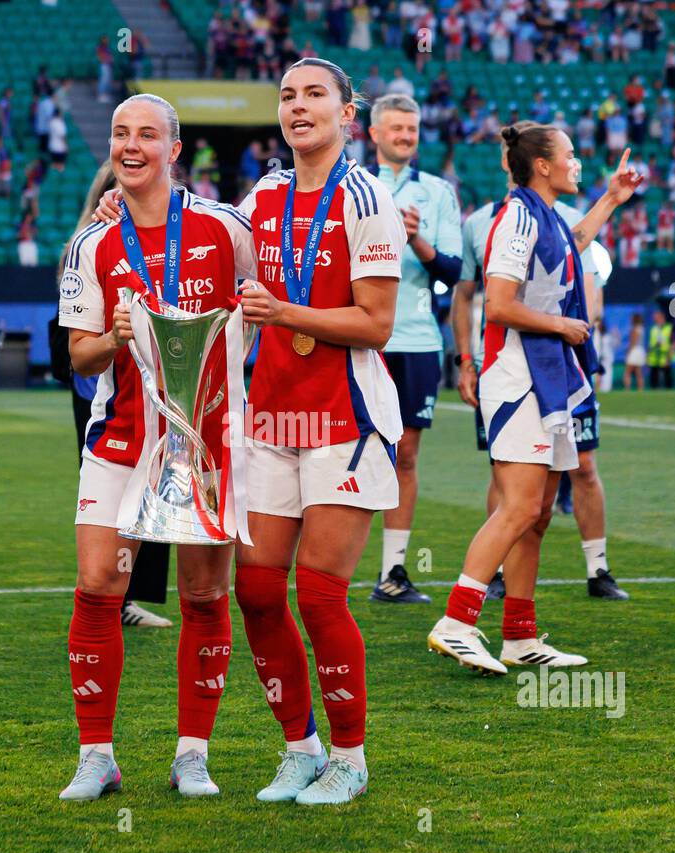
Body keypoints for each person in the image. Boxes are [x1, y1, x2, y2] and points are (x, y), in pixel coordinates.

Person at [56, 93, 256, 801]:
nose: (130, 145)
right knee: (96, 586)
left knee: (205, 592)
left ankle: (193, 753)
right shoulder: (92, 243)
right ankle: (96, 754)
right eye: (119, 134)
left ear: (176, 150)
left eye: (147, 134)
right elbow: (78, 356)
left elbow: (275, 279)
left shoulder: (225, 227)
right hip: (120, 441)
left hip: (206, 445)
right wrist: (110, 337)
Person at [230, 58, 405, 805]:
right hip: (271, 417)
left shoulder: (368, 197)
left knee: (320, 594)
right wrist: (123, 209)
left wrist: (287, 315)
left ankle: (350, 756)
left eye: (314, 96)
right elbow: (202, 244)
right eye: (288, 96)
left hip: (346, 422)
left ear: (346, 113)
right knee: (258, 590)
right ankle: (299, 748)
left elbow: (377, 323)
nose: (298, 107)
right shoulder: (264, 194)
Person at [427, 124, 640, 675]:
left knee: (539, 513)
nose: (577, 164)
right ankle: (456, 621)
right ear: (542, 165)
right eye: (569, 156)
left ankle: (519, 637)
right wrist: (562, 326)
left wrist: (612, 199)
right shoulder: (518, 216)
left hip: (545, 377)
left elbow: (576, 244)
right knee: (519, 506)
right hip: (518, 377)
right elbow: (496, 305)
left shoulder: (542, 214)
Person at [53, 161, 173, 629]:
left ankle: (133, 595)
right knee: (116, 480)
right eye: (112, 191)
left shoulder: (175, 233)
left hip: (153, 377)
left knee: (162, 482)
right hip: (103, 377)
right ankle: (121, 595)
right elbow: (73, 330)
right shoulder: (86, 246)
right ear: (102, 197)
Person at [362, 93, 462, 605]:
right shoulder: (351, 186)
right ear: (374, 133)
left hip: (418, 340)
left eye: (413, 129)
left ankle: (392, 573)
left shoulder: (439, 191)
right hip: (359, 336)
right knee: (345, 452)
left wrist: (417, 240)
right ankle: (325, 567)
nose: (406, 136)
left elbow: (453, 272)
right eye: (396, 128)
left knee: (405, 454)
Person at [646, 310, 673, 388]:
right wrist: (647, 356)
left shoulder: (669, 328)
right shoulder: (653, 328)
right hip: (654, 357)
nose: (654, 318)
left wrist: (669, 357)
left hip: (665, 356)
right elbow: (651, 343)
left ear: (661, 317)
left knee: (667, 378)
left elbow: (671, 343)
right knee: (654, 378)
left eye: (656, 317)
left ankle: (670, 394)